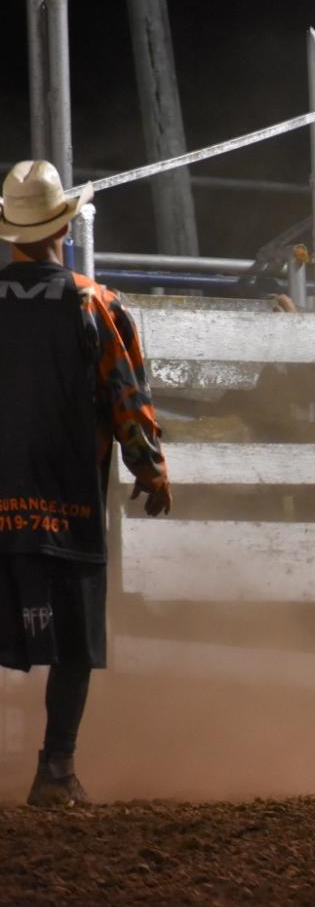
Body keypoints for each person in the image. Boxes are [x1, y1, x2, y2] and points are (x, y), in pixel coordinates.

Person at [0, 160, 172, 807]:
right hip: (66, 502)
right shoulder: (95, 302)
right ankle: (55, 769)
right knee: (73, 641)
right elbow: (127, 392)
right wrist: (149, 465)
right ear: (63, 229)